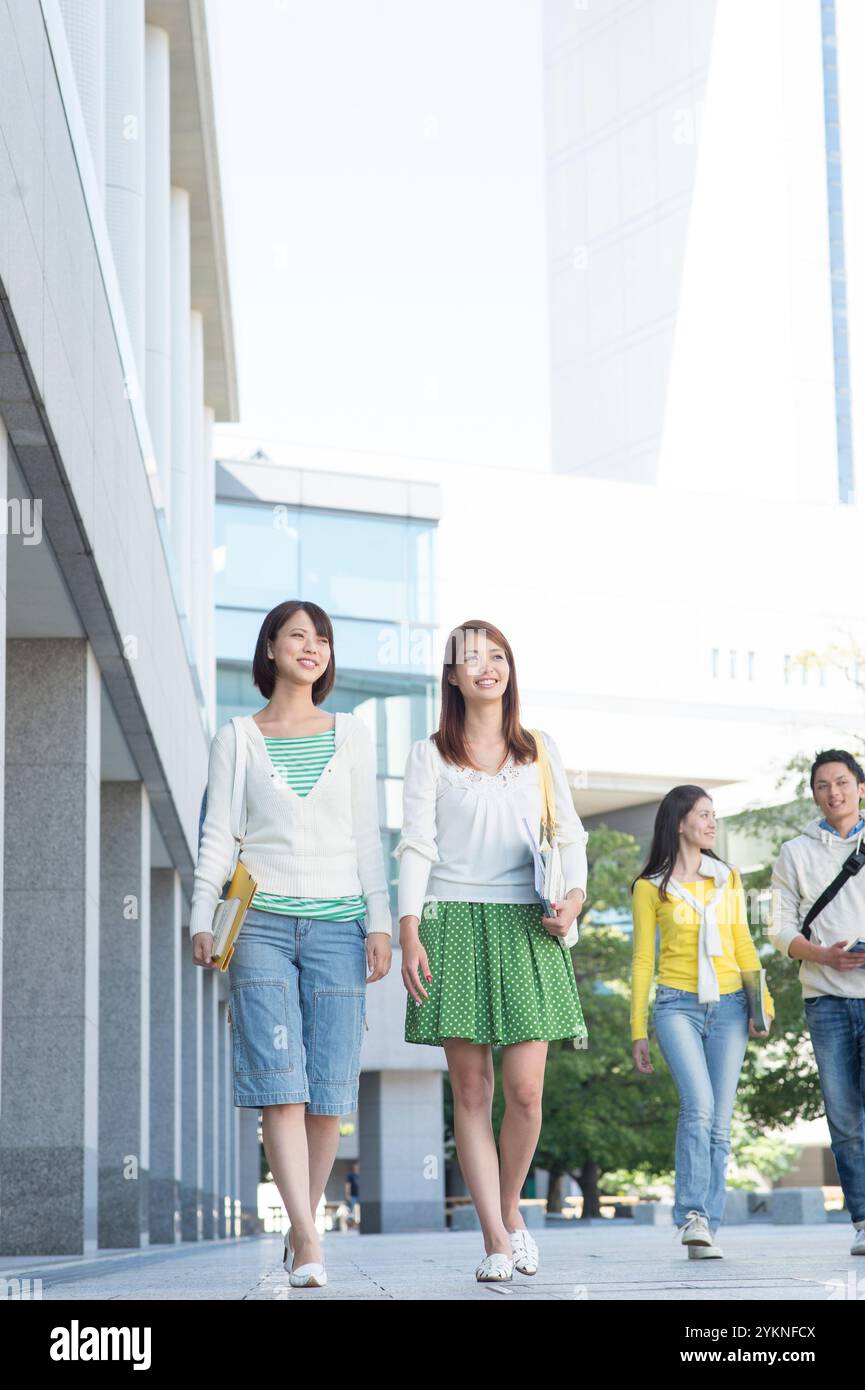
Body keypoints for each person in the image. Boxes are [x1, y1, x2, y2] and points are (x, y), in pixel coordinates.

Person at [190, 600, 392, 1288]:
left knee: (329, 1093)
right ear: (270, 648)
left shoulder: (353, 733)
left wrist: (380, 921)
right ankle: (306, 1237)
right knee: (282, 1088)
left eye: (322, 639)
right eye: (298, 636)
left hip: (339, 927)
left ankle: (301, 1224)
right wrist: (199, 915)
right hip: (262, 928)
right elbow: (217, 835)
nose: (312, 648)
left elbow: (369, 837)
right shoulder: (237, 737)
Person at [395, 619, 589, 1283]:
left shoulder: (538, 749)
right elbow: (416, 842)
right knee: (471, 1091)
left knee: (525, 1091)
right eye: (471, 657)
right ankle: (494, 1241)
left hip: (529, 923)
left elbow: (568, 836)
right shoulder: (430, 753)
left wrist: (575, 898)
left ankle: (509, 1208)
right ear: (451, 676)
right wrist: (409, 924)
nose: (487, 666)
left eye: (497, 655)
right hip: (452, 921)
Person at [630, 785, 771, 1260]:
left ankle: (706, 1227)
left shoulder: (727, 878)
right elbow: (641, 962)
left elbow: (744, 944)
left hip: (731, 1005)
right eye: (703, 815)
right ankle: (691, 1214)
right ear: (679, 824)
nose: (712, 823)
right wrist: (636, 1031)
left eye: (714, 815)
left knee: (721, 1123)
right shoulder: (650, 887)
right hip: (676, 1006)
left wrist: (760, 1004)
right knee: (699, 1106)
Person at [767, 748, 865, 1256]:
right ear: (814, 795)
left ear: (861, 787)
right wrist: (821, 955)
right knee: (844, 1117)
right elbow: (777, 928)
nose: (835, 792)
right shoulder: (794, 853)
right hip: (825, 999)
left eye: (843, 782)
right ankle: (863, 1221)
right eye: (824, 785)